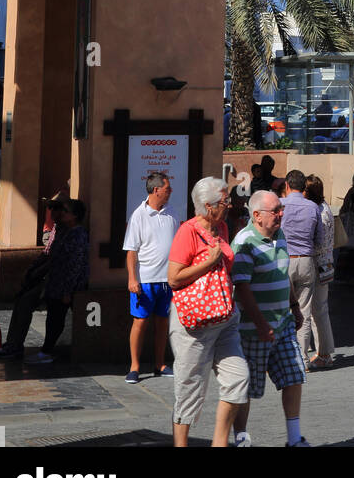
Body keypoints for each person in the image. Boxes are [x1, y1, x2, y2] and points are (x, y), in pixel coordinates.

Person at [167, 177, 249, 447]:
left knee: (238, 378)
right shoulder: (187, 232)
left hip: (225, 318)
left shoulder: (222, 227)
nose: (229, 205)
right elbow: (174, 278)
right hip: (195, 324)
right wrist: (209, 262)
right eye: (224, 201)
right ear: (207, 205)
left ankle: (219, 442)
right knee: (190, 387)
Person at [231, 190, 311, 447]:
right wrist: (261, 324)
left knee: (294, 376)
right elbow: (241, 289)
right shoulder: (244, 242)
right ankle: (241, 439)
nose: (281, 214)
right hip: (253, 331)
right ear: (256, 215)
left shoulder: (280, 236)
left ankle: (294, 438)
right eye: (275, 211)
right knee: (247, 389)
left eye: (280, 209)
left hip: (283, 324)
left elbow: (282, 272)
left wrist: (295, 306)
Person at [122, 172, 178, 382]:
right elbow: (131, 251)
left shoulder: (171, 212)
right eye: (167, 189)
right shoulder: (138, 215)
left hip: (168, 280)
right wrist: (132, 279)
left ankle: (160, 363)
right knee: (140, 322)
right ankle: (134, 366)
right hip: (145, 280)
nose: (170, 192)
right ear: (156, 190)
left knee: (163, 323)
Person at [0, 197, 67, 358]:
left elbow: (54, 258)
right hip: (43, 275)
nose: (52, 213)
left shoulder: (68, 232)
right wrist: (32, 269)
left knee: (25, 303)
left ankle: (15, 345)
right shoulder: (57, 228)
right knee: (20, 301)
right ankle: (13, 342)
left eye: (55, 209)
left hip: (53, 279)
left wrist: (37, 272)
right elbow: (46, 253)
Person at [35, 198, 89, 363]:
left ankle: (47, 351)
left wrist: (67, 291)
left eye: (65, 211)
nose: (60, 213)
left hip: (66, 287)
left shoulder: (78, 235)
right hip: (57, 284)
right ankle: (47, 350)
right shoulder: (64, 230)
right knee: (53, 317)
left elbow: (75, 265)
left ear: (74, 216)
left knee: (56, 319)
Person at [280, 169, 322, 360]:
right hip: (306, 260)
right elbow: (319, 239)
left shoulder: (279, 205)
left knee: (281, 309)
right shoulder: (313, 207)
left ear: (287, 186)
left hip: (284, 260)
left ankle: (282, 356)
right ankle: (302, 357)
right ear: (304, 187)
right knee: (304, 311)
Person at [303, 173, 336, 370]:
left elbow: (321, 244)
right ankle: (323, 352)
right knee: (319, 310)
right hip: (326, 263)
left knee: (319, 311)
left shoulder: (319, 212)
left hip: (319, 264)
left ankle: (324, 353)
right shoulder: (324, 208)